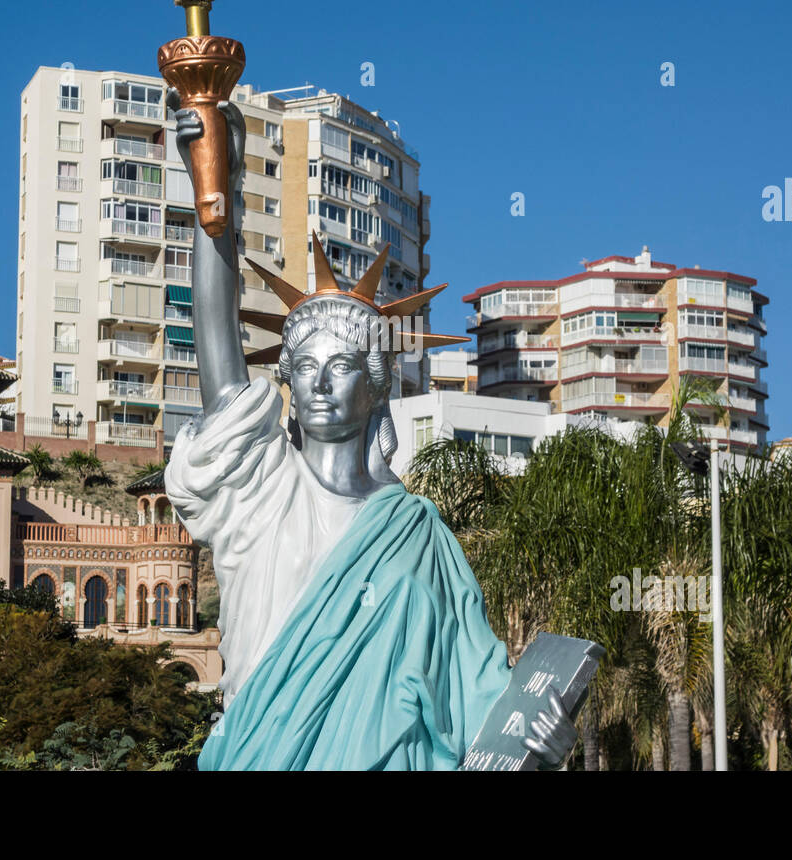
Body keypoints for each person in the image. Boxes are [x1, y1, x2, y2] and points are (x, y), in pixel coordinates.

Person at [164, 92, 574, 770]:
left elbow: (475, 688)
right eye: (305, 368)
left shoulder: (420, 536)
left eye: (343, 365)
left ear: (377, 383)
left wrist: (537, 730)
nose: (321, 384)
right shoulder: (262, 493)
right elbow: (217, 345)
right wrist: (215, 185)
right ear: (287, 381)